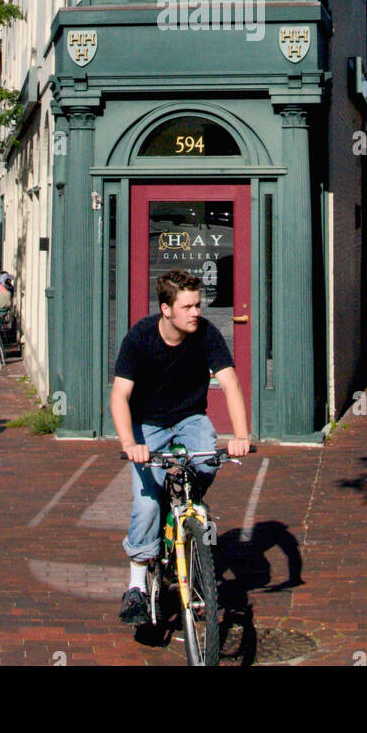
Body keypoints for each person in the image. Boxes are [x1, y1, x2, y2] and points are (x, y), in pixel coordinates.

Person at [110, 267, 251, 627]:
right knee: (147, 503)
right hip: (148, 425)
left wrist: (240, 436)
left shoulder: (205, 334)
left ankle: (190, 521)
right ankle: (137, 587)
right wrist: (130, 444)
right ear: (166, 309)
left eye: (198, 305)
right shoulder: (140, 338)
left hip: (190, 419)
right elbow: (120, 396)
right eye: (187, 306)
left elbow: (231, 384)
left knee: (207, 463)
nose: (196, 313)